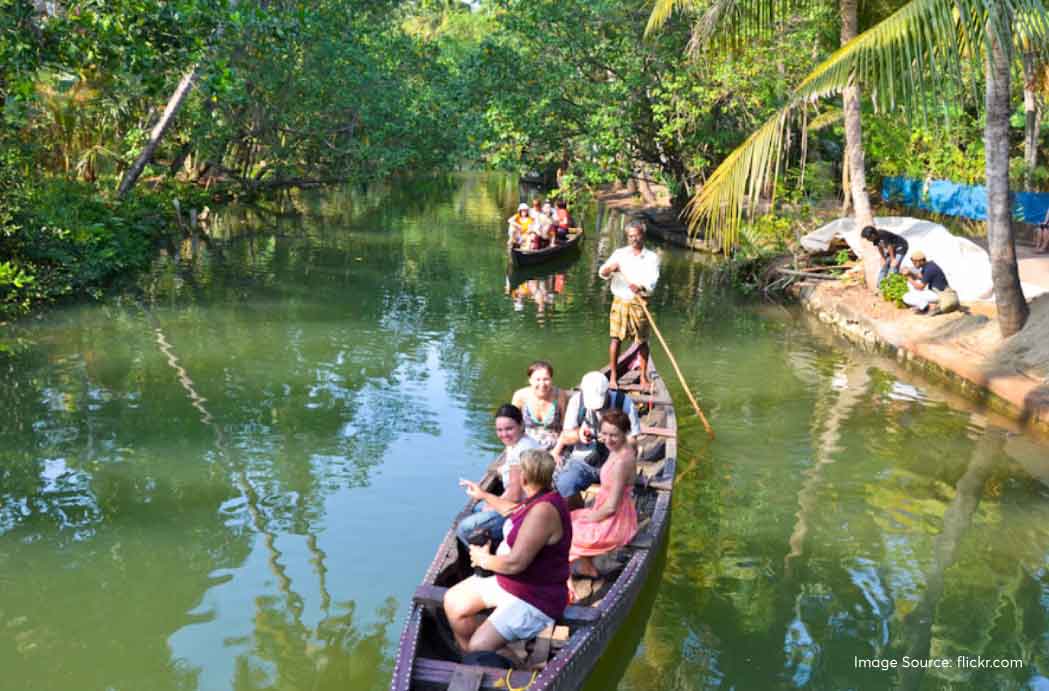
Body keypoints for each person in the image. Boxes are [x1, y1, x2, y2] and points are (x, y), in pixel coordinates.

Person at [444, 449, 571, 653]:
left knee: (479, 646)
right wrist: (483, 495)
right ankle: (472, 659)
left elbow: (515, 563)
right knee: (454, 602)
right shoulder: (539, 497)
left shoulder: (543, 512)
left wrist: (483, 559)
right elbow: (513, 511)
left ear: (525, 477)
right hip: (512, 583)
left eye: (516, 470)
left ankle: (479, 655)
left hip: (535, 597)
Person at [455, 405, 539, 546]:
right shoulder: (521, 442)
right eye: (499, 430)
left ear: (521, 425)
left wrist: (486, 498)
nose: (504, 434)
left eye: (509, 429)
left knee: (464, 529)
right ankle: (493, 542)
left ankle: (483, 561)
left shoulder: (520, 451)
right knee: (477, 508)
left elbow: (515, 497)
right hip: (527, 504)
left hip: (524, 511)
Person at [568, 410, 638, 578]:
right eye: (604, 434)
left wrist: (589, 518)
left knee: (566, 531)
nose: (607, 439)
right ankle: (584, 560)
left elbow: (611, 508)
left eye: (614, 435)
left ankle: (587, 567)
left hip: (616, 520)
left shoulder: (622, 462)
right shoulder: (622, 448)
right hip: (606, 508)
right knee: (567, 518)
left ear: (625, 433)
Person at [551, 371, 640, 499]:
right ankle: (574, 511)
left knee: (617, 497)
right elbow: (565, 436)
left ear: (607, 391)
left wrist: (614, 441)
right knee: (564, 485)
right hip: (582, 461)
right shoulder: (577, 401)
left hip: (615, 463)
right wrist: (579, 435)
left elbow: (633, 441)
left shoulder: (624, 402)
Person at [598, 220, 660, 389]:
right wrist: (610, 269)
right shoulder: (619, 254)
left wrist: (640, 287)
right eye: (630, 236)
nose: (633, 239)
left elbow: (652, 282)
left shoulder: (651, 257)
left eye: (636, 235)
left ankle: (643, 377)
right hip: (620, 302)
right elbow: (602, 272)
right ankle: (613, 376)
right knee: (615, 339)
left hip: (640, 303)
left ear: (643, 235)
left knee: (642, 341)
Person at [512, 361, 569, 450]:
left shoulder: (560, 395)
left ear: (551, 379)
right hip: (527, 446)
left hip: (555, 447)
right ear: (530, 380)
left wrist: (556, 451)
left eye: (546, 379)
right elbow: (511, 425)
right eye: (537, 379)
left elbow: (566, 427)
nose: (542, 384)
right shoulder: (520, 396)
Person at [902, 249, 950, 314]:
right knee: (912, 285)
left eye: (915, 263)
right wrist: (910, 272)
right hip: (938, 292)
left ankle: (929, 307)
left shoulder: (929, 269)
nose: (914, 265)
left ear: (920, 261)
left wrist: (907, 276)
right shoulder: (929, 265)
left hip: (939, 294)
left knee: (906, 297)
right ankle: (924, 305)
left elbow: (920, 287)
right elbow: (921, 277)